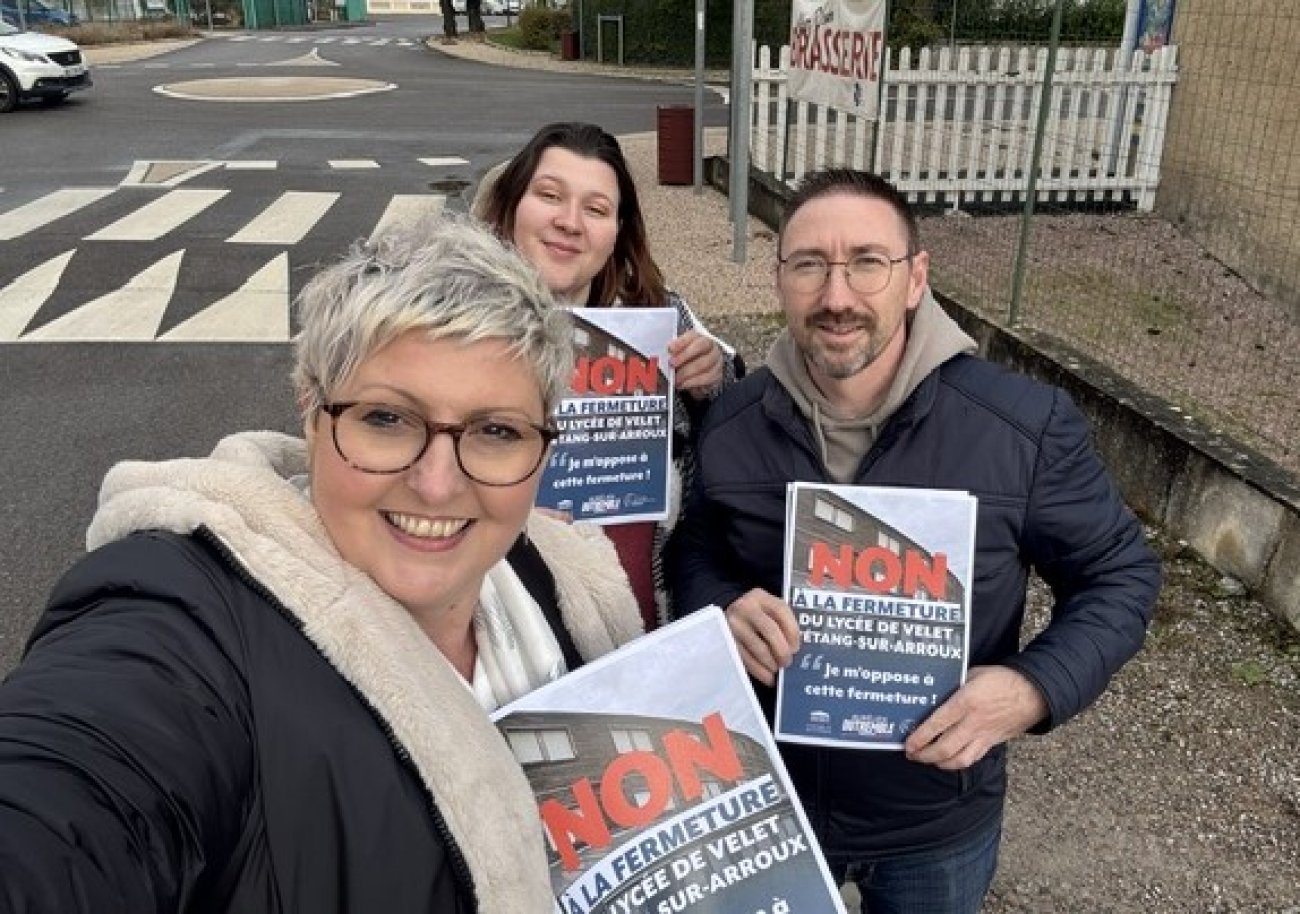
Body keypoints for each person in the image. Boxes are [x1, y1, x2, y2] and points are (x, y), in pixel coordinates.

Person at [0, 215, 642, 913]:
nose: (437, 483)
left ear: (543, 448)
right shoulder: (188, 621)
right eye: (387, 419)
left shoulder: (555, 584)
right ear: (311, 410)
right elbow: (71, 801)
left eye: (495, 432)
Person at [668, 169, 1161, 913]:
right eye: (809, 265)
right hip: (771, 798)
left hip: (936, 819)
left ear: (915, 278)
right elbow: (695, 548)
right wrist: (722, 606)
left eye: (868, 262)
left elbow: (1119, 575)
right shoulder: (735, 420)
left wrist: (1033, 688)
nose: (837, 296)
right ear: (780, 278)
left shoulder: (1021, 427)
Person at [479, 121, 742, 630]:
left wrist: (713, 382)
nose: (569, 222)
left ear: (617, 231)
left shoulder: (658, 318)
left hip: (642, 619)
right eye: (550, 195)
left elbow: (734, 437)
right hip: (508, 617)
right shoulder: (447, 326)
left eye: (596, 209)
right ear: (511, 206)